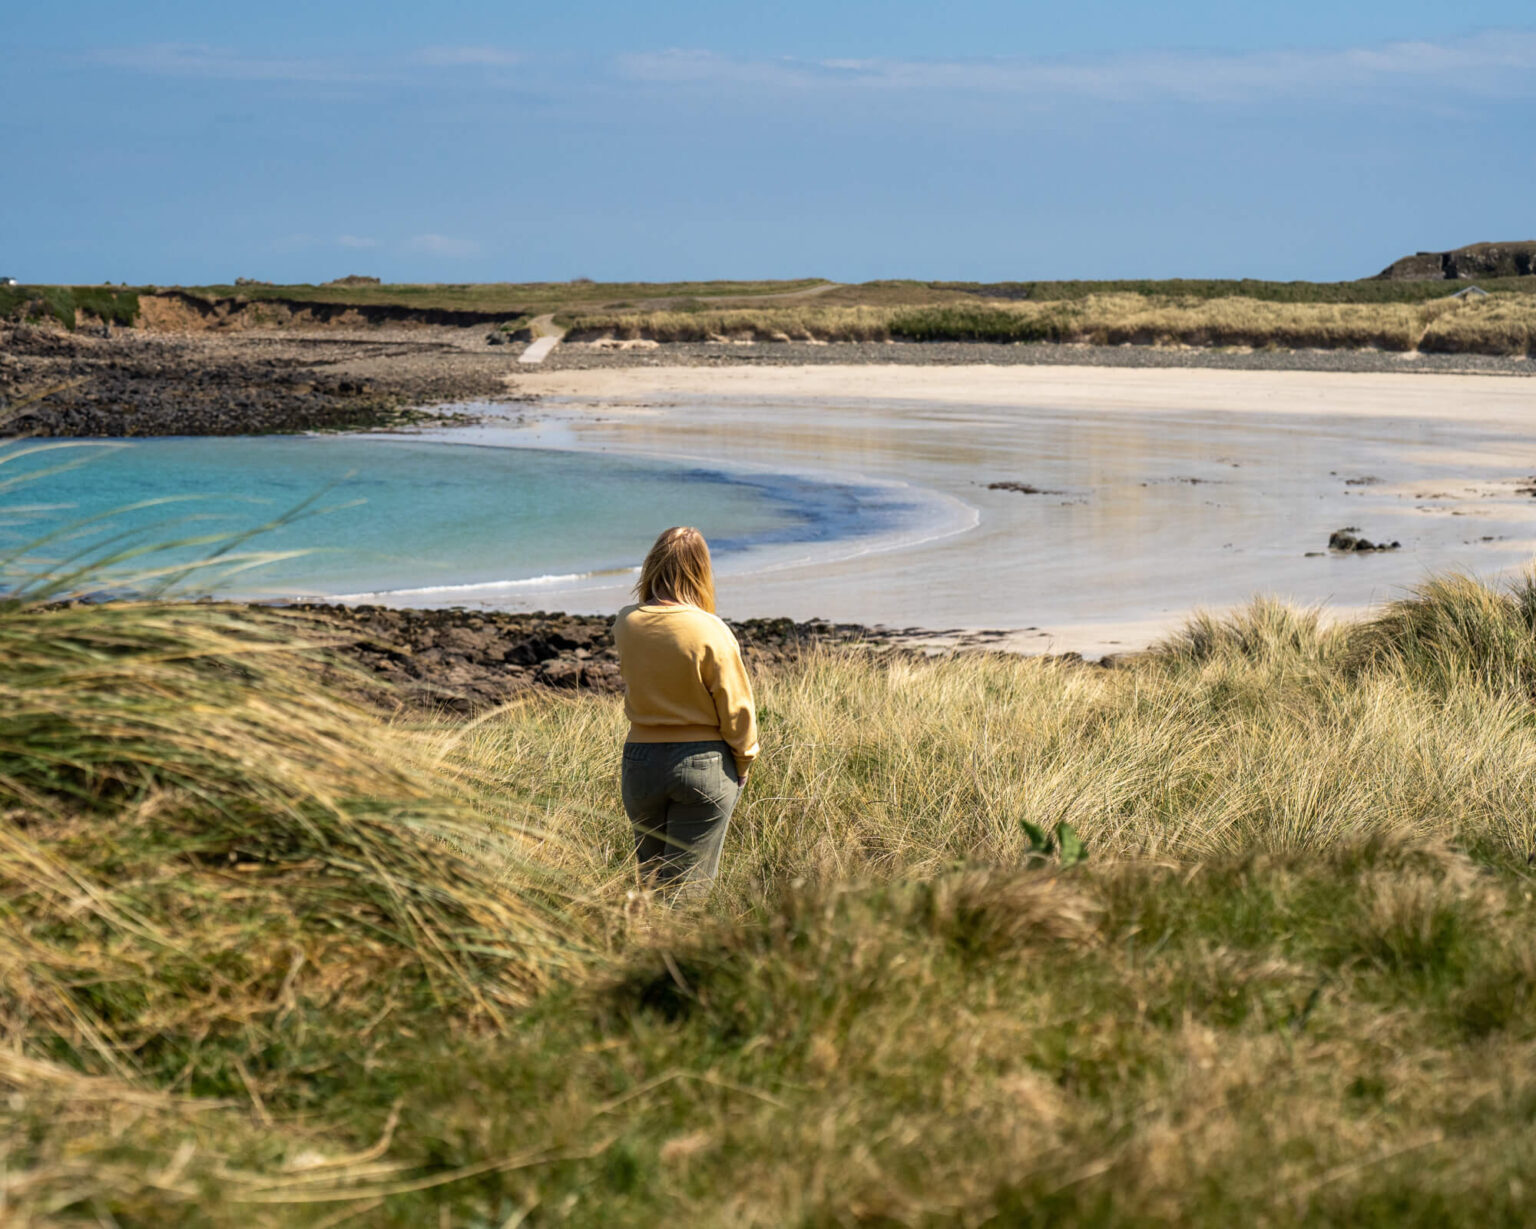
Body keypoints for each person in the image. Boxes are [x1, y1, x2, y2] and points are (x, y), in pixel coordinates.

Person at [612, 526, 758, 898]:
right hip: (703, 761)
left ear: (653, 566)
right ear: (700, 570)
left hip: (640, 761)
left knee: (650, 879)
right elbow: (737, 707)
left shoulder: (626, 623)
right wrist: (743, 761)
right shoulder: (711, 629)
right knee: (685, 890)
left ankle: (641, 947)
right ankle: (671, 955)